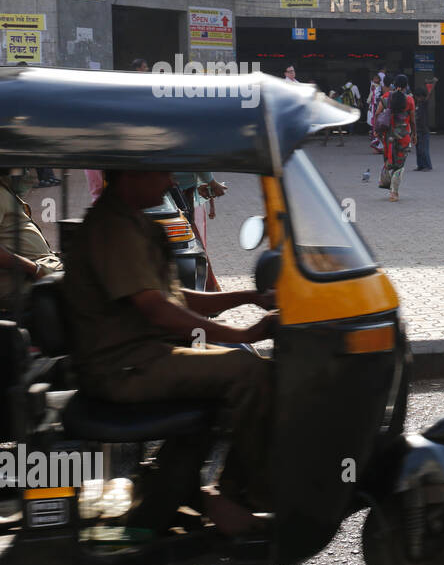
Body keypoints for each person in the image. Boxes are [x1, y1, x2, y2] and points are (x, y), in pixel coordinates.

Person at [60, 169, 277, 535]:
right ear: (133, 175)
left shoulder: (132, 222)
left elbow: (175, 297)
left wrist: (250, 297)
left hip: (142, 356)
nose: (172, 183)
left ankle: (186, 490)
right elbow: (157, 309)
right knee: (249, 372)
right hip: (124, 367)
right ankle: (241, 497)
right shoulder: (114, 228)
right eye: (162, 173)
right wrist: (243, 332)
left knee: (242, 368)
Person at [0, 170, 63, 301]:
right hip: (25, 282)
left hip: (42, 268)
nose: (26, 172)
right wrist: (36, 270)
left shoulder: (5, 191)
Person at [383, 74, 416, 202]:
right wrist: (414, 134)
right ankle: (394, 192)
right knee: (400, 165)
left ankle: (385, 181)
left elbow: (377, 114)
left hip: (388, 137)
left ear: (394, 84)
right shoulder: (409, 100)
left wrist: (377, 132)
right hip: (403, 136)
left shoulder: (386, 97)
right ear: (406, 85)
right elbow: (412, 121)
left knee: (390, 160)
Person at [414, 77, 434, 171]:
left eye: (419, 97)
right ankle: (420, 165)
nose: (417, 98)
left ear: (422, 96)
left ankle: (428, 165)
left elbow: (429, 95)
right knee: (418, 149)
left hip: (424, 130)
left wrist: (432, 85)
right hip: (418, 130)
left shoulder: (424, 103)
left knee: (423, 149)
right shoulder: (417, 104)